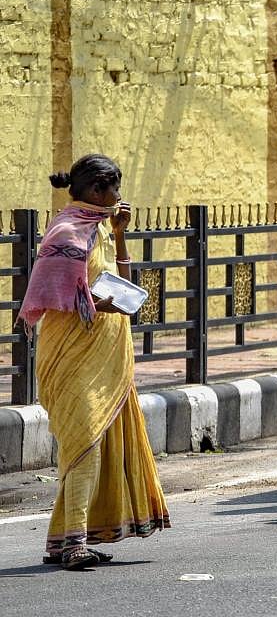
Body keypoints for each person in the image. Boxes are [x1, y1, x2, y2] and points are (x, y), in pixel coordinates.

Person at [18, 155, 169, 570]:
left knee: (90, 444)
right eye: (115, 190)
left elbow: (121, 275)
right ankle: (75, 543)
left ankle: (62, 541)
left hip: (106, 352)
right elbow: (54, 294)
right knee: (84, 445)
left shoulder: (99, 227)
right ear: (97, 190)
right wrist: (98, 305)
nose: (120, 198)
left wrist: (120, 236)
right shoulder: (65, 232)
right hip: (70, 356)